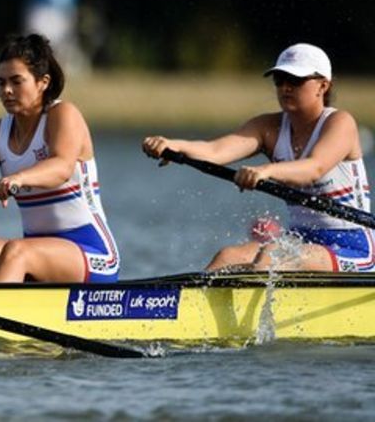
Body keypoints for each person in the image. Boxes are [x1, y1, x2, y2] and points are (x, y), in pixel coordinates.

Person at [142, 43, 372, 273]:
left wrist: (266, 171)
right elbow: (215, 151)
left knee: (271, 255)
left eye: (294, 80)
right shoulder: (268, 127)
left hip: (353, 246)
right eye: (279, 80)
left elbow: (314, 168)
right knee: (228, 256)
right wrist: (172, 145)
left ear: (323, 85)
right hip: (300, 239)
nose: (285, 88)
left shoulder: (340, 123)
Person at [0, 34, 119, 283]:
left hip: (93, 255)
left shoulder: (63, 114)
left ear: (43, 82)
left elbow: (61, 167)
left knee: (17, 252)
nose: (6, 90)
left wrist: (20, 178)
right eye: (1, 82)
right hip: (37, 251)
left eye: (16, 81)